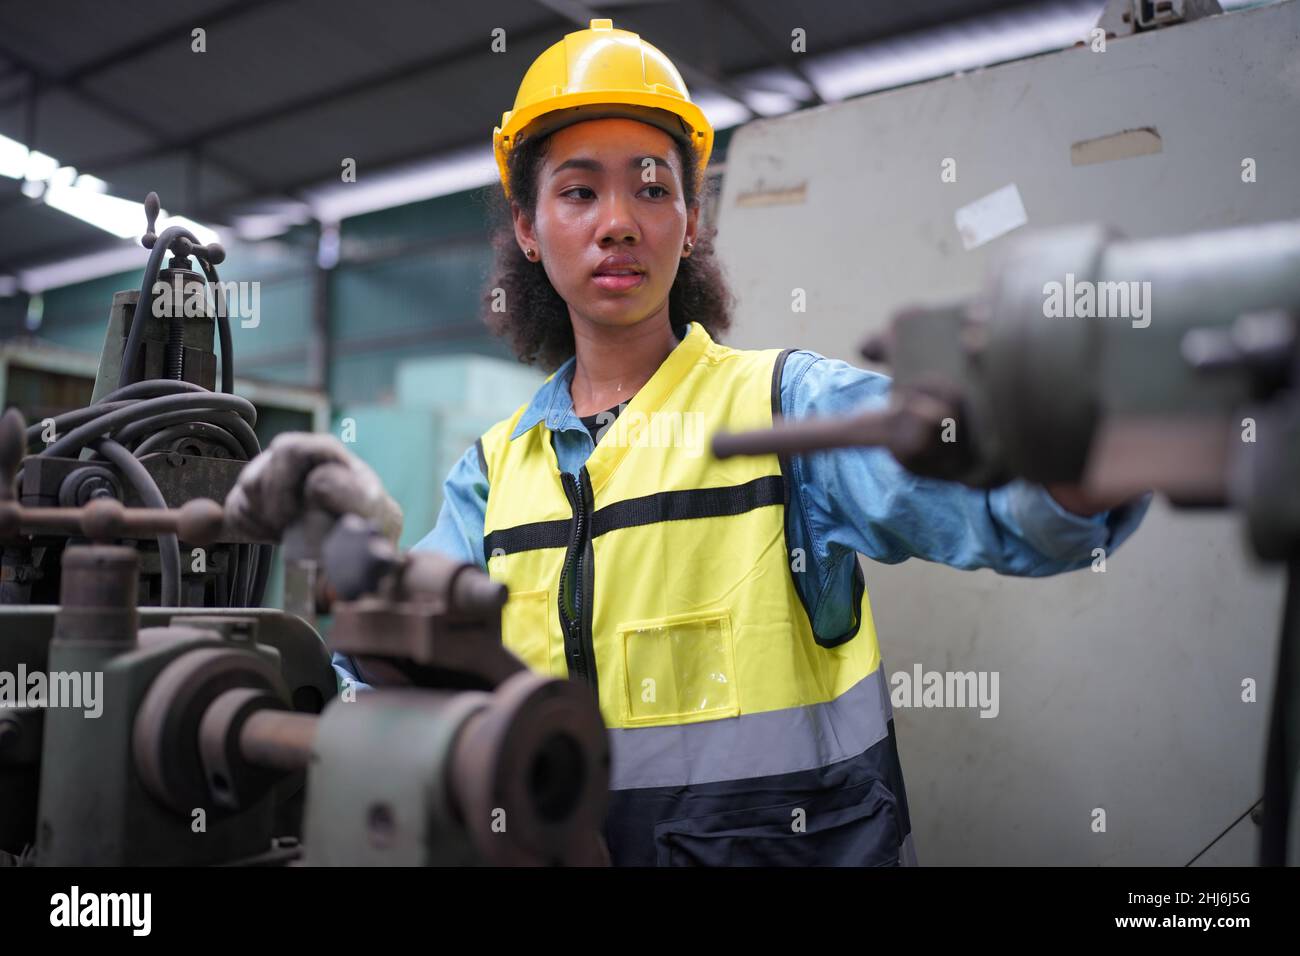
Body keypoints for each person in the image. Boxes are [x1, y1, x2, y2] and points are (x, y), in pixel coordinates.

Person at [227, 19, 1150, 866]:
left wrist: (1074, 448)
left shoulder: (790, 412)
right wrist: (352, 555)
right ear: (529, 229)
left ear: (692, 217)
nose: (617, 221)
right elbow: (378, 676)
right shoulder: (494, 473)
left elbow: (1015, 515)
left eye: (652, 186)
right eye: (578, 190)